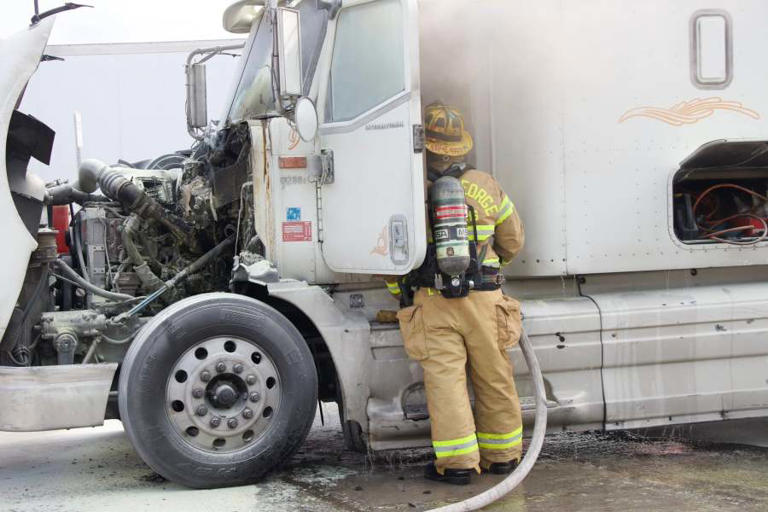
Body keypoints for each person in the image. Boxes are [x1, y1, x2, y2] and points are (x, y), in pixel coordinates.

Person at [388, 103, 525, 485]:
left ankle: (459, 465)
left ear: (425, 146)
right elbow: (513, 241)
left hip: (432, 301)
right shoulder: (485, 184)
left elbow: (393, 256)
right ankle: (504, 457)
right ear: (460, 147)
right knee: (495, 377)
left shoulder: (411, 189)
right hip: (484, 299)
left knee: (445, 383)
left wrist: (401, 293)